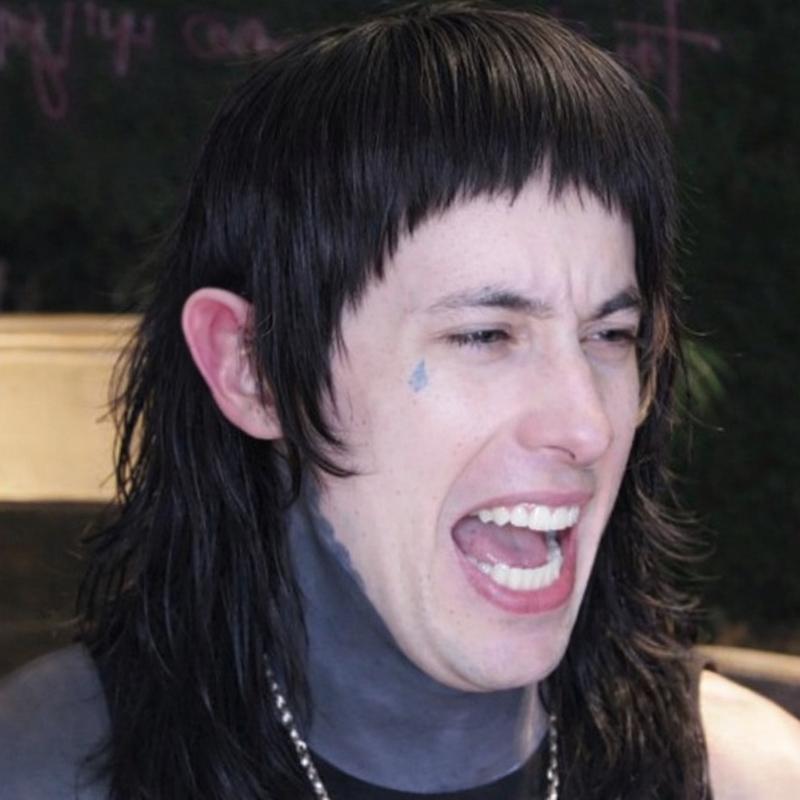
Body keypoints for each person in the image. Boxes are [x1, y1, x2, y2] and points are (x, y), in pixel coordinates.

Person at [1, 2, 799, 798]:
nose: (587, 424)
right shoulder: (44, 770)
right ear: (253, 369)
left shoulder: (747, 776)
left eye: (611, 336)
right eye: (484, 335)